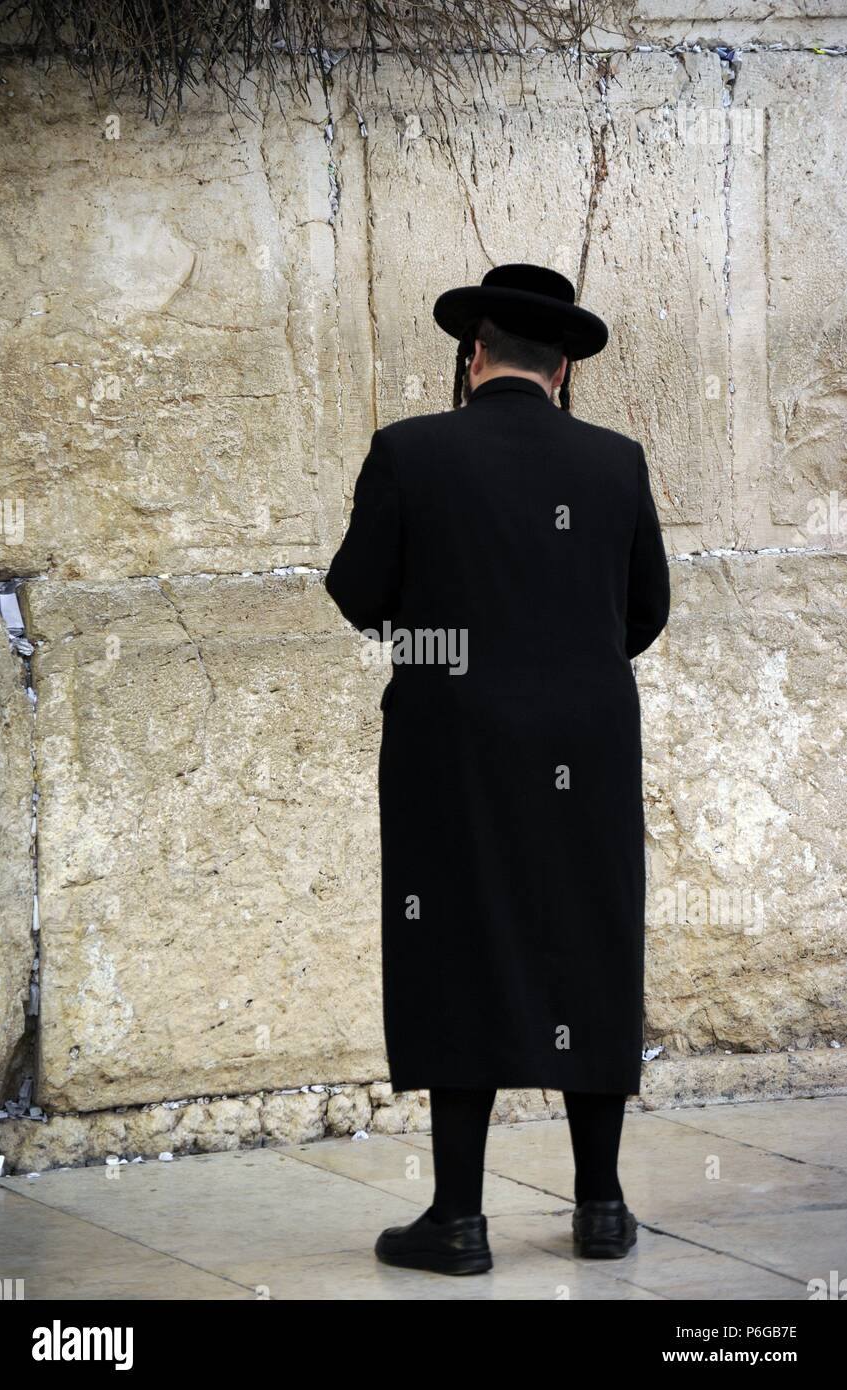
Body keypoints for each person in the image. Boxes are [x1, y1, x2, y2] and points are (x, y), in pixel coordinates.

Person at [325, 263, 671, 1275]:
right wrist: (559, 660)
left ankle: (459, 1219)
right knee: (588, 939)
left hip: (453, 741)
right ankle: (601, 1208)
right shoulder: (618, 463)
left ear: (471, 355)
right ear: (562, 368)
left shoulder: (410, 450)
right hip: (589, 742)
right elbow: (642, 610)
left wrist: (450, 649)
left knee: (456, 947)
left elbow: (356, 594)